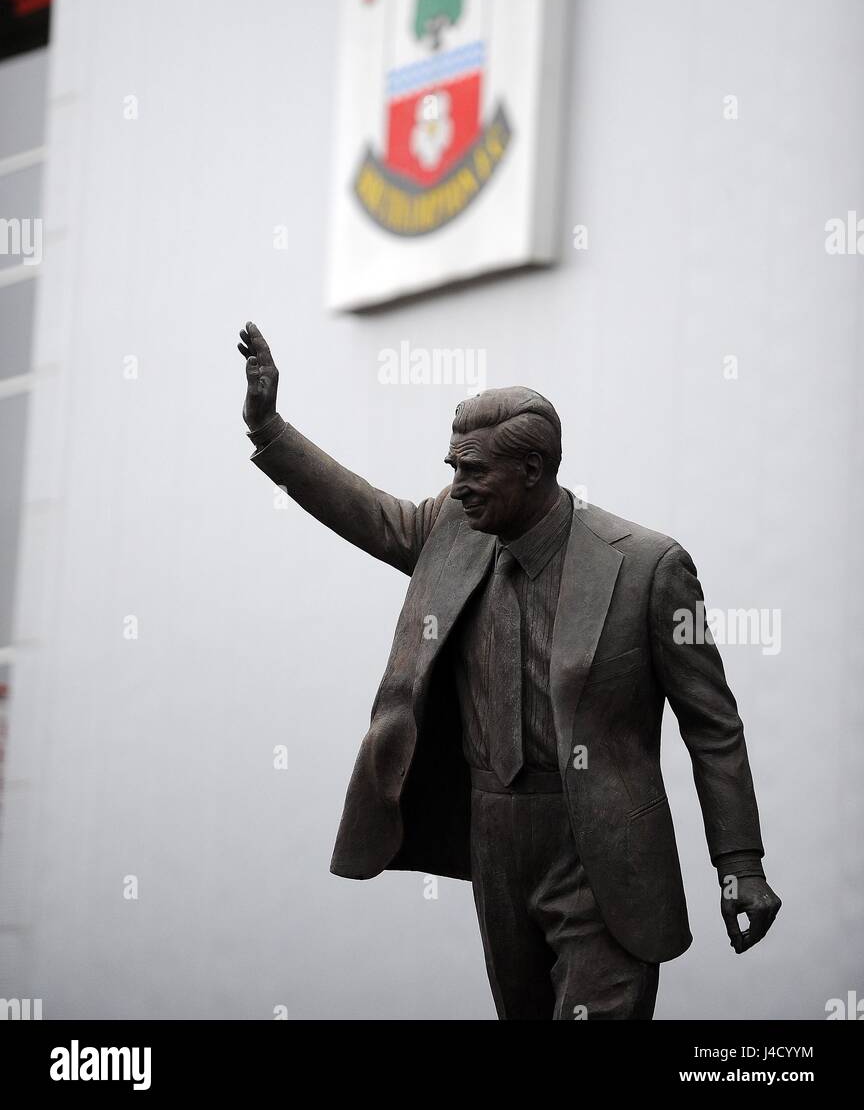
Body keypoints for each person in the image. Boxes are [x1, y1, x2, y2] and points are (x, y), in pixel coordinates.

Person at [237, 321, 781, 1020]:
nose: (456, 487)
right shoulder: (451, 530)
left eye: (473, 470)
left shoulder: (650, 567)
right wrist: (269, 428)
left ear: (533, 469)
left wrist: (741, 865)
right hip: (494, 836)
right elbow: (366, 512)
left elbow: (713, 726)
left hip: (601, 849)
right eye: (452, 468)